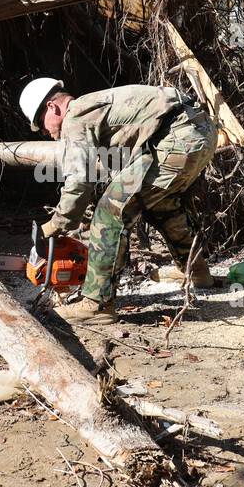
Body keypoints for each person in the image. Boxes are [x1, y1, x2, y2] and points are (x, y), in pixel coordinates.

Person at [19, 78, 217, 323]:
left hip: (176, 137)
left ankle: (97, 305)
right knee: (161, 205)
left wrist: (57, 224)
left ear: (52, 107)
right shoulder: (95, 107)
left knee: (111, 211)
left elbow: (80, 180)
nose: (47, 132)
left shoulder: (75, 116)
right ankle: (197, 272)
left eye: (41, 124)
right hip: (200, 130)